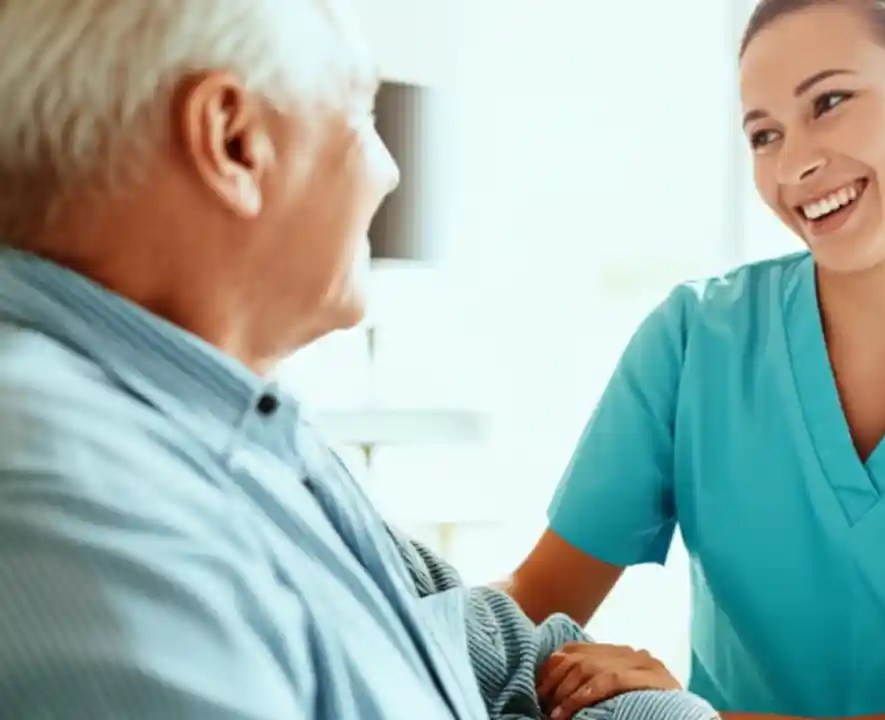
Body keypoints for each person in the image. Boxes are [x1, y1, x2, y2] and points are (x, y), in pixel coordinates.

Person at [0, 2, 717, 719]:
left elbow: (492, 651)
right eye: (360, 114)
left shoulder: (252, 432)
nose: (390, 172)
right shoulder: (69, 492)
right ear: (235, 141)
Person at [508, 1, 885, 719]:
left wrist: (687, 718)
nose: (795, 163)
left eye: (829, 102)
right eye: (764, 134)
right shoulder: (694, 341)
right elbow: (534, 602)